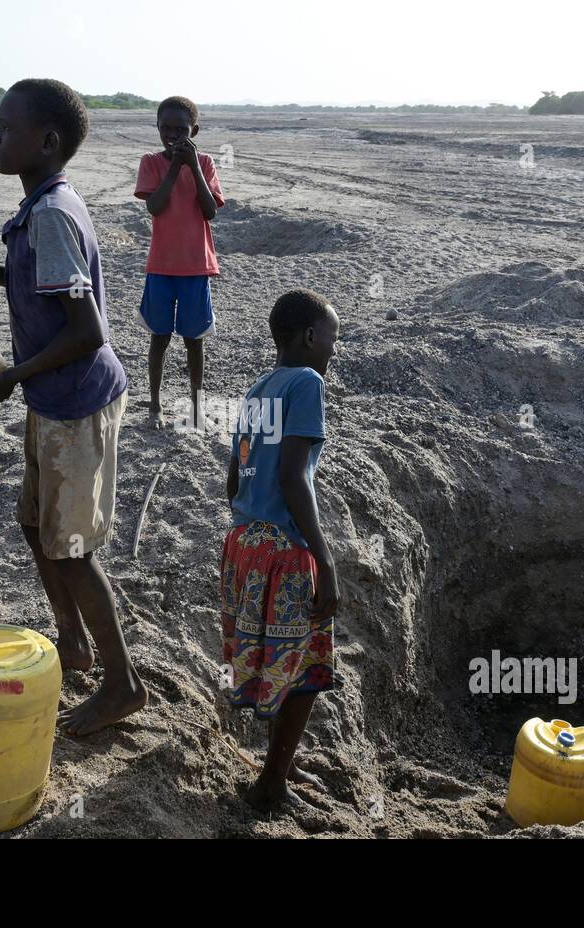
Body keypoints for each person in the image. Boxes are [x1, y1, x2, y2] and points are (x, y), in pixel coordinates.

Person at [0, 78, 147, 737]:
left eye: (5, 128)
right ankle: (71, 643)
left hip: (75, 404)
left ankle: (121, 684)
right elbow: (42, 284)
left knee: (73, 548)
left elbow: (87, 330)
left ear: (46, 142)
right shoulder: (44, 207)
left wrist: (10, 378)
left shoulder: (50, 213)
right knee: (33, 523)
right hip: (55, 402)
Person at [222, 288, 342, 812]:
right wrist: (325, 560)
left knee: (278, 657)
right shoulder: (308, 383)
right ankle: (271, 784)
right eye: (332, 338)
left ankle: (283, 763)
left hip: (244, 545)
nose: (334, 350)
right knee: (305, 670)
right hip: (286, 551)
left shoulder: (256, 390)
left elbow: (234, 480)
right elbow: (295, 479)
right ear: (312, 336)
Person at [133, 96, 224, 431]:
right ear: (157, 128)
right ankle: (155, 405)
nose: (172, 135)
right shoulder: (151, 162)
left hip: (196, 267)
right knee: (159, 337)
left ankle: (197, 406)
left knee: (193, 340)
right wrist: (174, 166)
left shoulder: (207, 163)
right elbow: (155, 207)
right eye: (166, 128)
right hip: (161, 266)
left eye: (180, 129)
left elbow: (209, 210)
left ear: (194, 131)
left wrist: (194, 167)